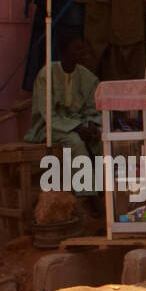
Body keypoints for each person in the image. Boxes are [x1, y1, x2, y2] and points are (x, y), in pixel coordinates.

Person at [24, 33, 103, 190]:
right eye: (77, 49)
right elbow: (49, 115)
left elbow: (92, 110)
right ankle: (87, 194)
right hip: (50, 127)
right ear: (63, 51)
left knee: (103, 138)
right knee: (75, 142)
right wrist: (77, 128)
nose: (82, 53)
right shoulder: (46, 75)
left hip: (80, 124)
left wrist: (92, 125)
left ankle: (107, 191)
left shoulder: (87, 77)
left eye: (83, 49)